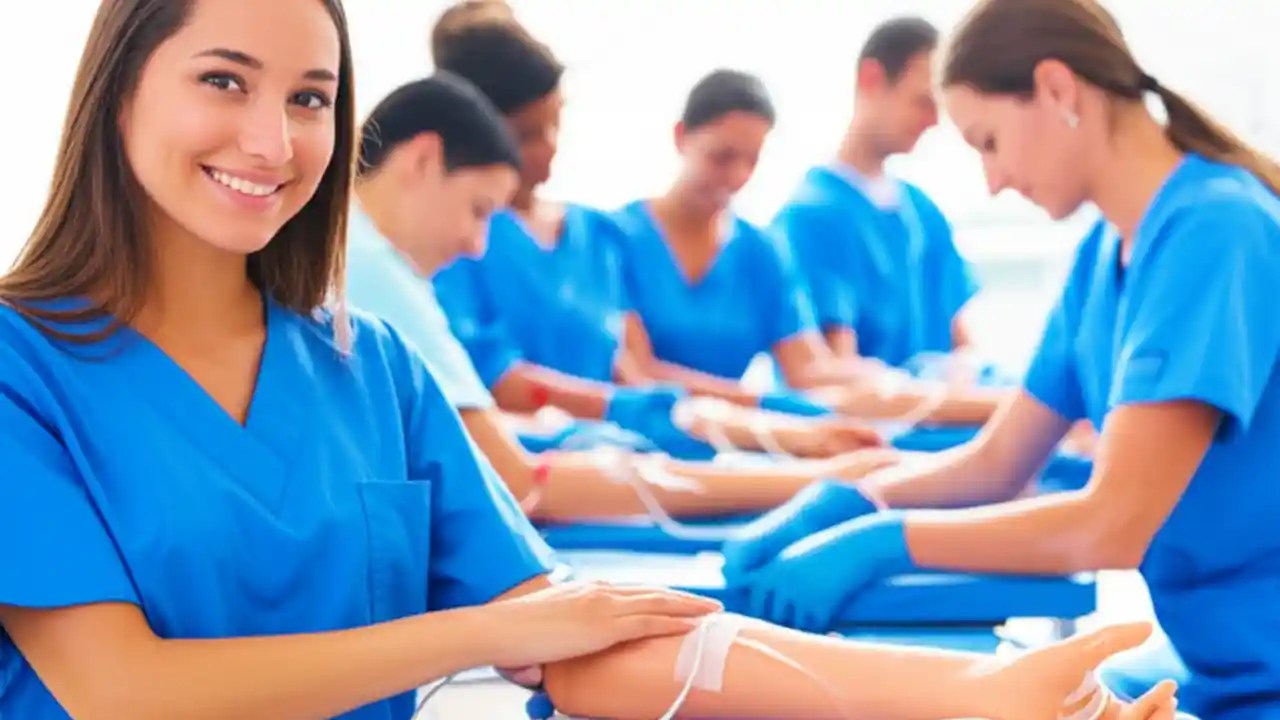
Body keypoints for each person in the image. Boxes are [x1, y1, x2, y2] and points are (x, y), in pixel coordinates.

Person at [0, 1, 1181, 718]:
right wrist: (477, 635)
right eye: (223, 80)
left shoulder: (377, 374)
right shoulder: (21, 368)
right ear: (116, 93)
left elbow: (577, 638)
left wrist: (968, 696)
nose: (274, 138)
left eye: (311, 97)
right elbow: (124, 694)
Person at [720, 0, 1280, 717]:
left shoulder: (1216, 230)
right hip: (1218, 661)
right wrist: (854, 498)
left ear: (1056, 89)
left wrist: (885, 543)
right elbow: (996, 464)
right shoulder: (1100, 258)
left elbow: (1109, 524)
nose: (992, 180)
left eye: (988, 141)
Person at [345, 73, 896, 523]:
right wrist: (807, 479)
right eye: (478, 209)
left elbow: (616, 388)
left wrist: (780, 434)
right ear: (422, 159)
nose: (476, 242)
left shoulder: (363, 261)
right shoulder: (378, 274)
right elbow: (523, 480)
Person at [429, 10, 886, 458]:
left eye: (557, 121)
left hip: (627, 455)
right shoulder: (456, 243)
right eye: (527, 134)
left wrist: (791, 430)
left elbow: (630, 373)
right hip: (543, 468)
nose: (549, 144)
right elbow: (500, 383)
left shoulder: (596, 235)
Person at [613, 67, 1002, 425]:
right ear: (682, 136)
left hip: (730, 432)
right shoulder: (616, 239)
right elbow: (636, 370)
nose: (736, 177)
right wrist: (756, 403)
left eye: (751, 161)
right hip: (645, 430)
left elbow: (809, 369)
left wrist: (891, 379)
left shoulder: (762, 253)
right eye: (722, 157)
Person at [771, 17, 980, 371]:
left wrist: (965, 380)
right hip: (872, 421)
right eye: (923, 102)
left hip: (944, 417)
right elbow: (838, 374)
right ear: (870, 79)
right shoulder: (810, 218)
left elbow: (963, 344)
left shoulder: (923, 211)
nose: (933, 121)